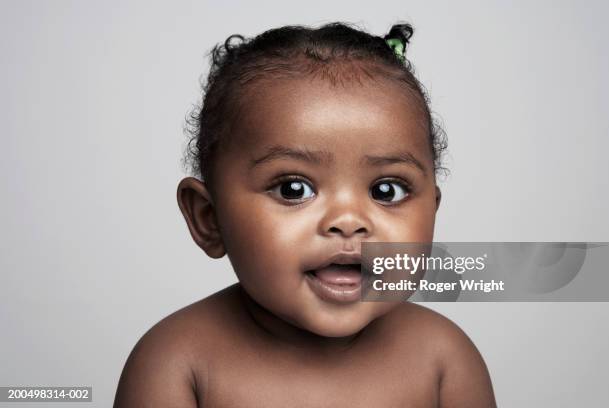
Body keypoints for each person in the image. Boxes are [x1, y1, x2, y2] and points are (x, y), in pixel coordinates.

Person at [114, 22, 496, 407]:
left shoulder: (444, 360)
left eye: (387, 191)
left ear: (432, 209)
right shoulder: (177, 362)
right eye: (293, 189)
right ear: (208, 218)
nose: (348, 220)